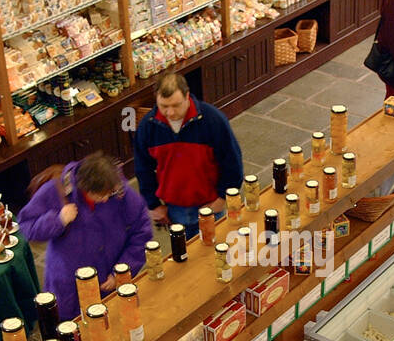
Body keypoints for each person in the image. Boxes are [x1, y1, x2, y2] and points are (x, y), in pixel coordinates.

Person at [19, 152, 152, 322]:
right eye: (99, 195)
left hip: (107, 284)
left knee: (113, 330)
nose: (105, 199)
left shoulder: (119, 190)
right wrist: (57, 220)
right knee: (71, 335)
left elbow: (142, 231)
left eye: (109, 193)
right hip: (68, 287)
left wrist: (121, 271)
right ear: (84, 188)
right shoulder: (55, 190)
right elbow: (24, 228)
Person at [132, 73, 243, 237]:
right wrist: (152, 204)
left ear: (187, 95)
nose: (169, 112)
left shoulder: (213, 120)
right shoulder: (148, 126)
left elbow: (232, 161)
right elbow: (142, 168)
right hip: (174, 210)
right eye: (163, 106)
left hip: (211, 205)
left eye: (176, 105)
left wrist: (223, 197)